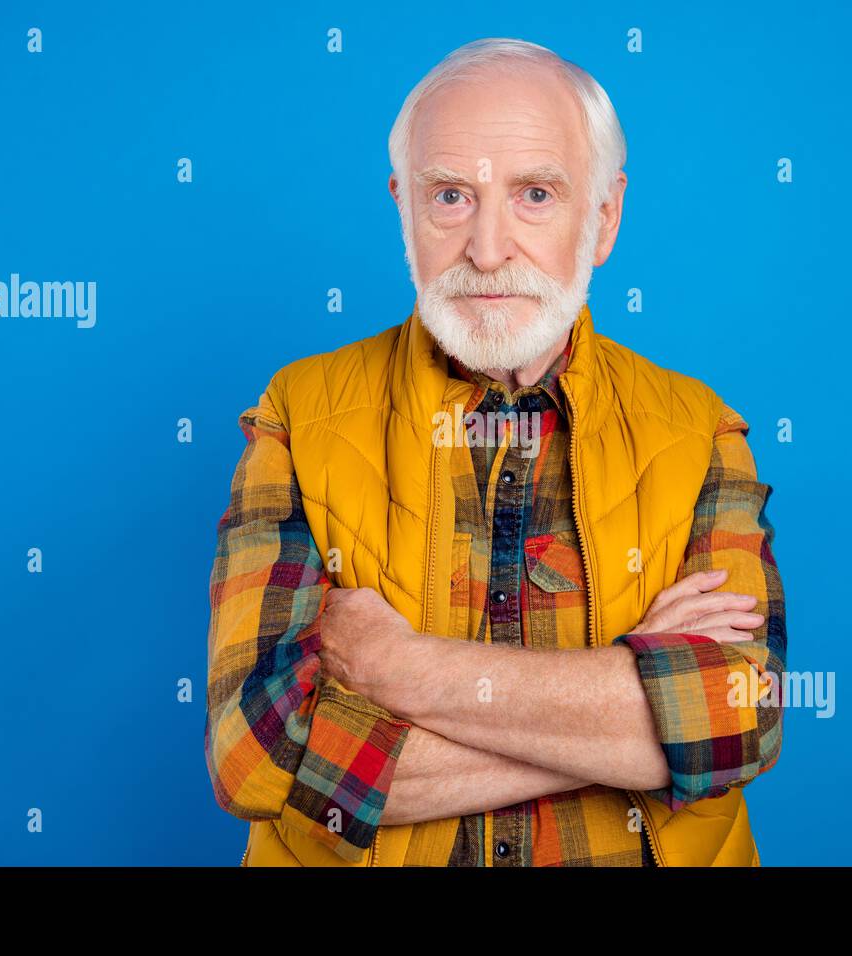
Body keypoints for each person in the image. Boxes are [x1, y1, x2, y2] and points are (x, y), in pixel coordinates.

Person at [205, 37, 786, 867]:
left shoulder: (699, 430)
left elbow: (735, 724)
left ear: (604, 219)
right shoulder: (299, 415)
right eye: (450, 197)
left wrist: (397, 669)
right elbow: (257, 757)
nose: (486, 249)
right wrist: (626, 718)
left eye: (536, 194)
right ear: (403, 208)